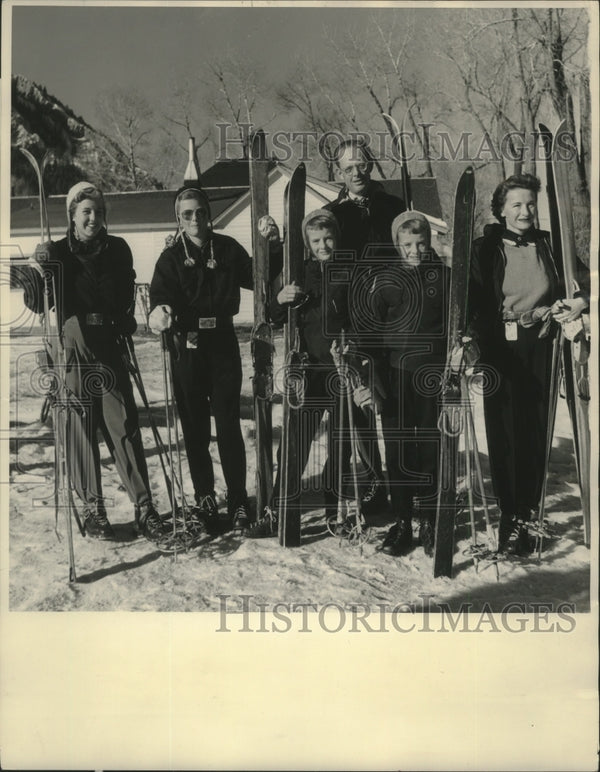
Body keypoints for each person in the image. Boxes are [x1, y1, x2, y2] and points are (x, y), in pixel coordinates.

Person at [23, 181, 163, 542]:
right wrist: (39, 271)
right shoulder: (57, 252)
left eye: (98, 212)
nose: (93, 218)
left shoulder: (117, 249)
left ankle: (144, 507)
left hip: (109, 341)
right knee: (79, 427)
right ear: (72, 215)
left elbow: (127, 290)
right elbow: (39, 305)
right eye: (86, 211)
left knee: (124, 426)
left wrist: (127, 320)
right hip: (72, 340)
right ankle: (93, 509)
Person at [469, 173, 589, 555]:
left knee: (537, 425)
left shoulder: (549, 246)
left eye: (530, 204)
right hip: (502, 348)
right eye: (517, 204)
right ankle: (509, 514)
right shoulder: (485, 247)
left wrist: (580, 302)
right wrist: (469, 342)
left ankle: (530, 508)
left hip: (543, 343)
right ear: (501, 209)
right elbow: (471, 299)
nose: (525, 211)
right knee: (505, 429)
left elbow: (583, 280)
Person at [149, 186, 257, 532]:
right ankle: (206, 498)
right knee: (195, 428)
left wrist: (273, 243)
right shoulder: (169, 258)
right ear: (178, 219)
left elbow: (259, 275)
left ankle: (238, 498)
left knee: (228, 425)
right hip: (188, 343)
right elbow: (160, 294)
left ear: (209, 214)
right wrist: (159, 313)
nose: (195, 219)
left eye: (200, 212)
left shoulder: (226, 248)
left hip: (222, 340)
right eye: (187, 214)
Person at [247, 209, 351, 538]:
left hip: (340, 371)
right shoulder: (300, 273)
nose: (323, 245)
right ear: (307, 243)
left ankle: (336, 513)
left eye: (328, 238)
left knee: (340, 445)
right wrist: (280, 299)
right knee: (294, 445)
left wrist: (353, 347)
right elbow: (276, 317)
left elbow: (364, 318)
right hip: (307, 372)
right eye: (316, 240)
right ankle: (278, 511)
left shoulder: (349, 272)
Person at [325, 138, 406, 514]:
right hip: (354, 320)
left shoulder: (393, 205)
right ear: (338, 173)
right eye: (347, 167)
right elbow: (323, 269)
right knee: (360, 404)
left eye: (361, 165)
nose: (356, 172)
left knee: (392, 402)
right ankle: (374, 485)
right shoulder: (333, 215)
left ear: (370, 166)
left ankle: (403, 481)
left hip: (394, 318)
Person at [369, 211, 450, 556]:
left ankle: (431, 519)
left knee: (432, 447)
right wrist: (368, 372)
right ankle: (403, 520)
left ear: (429, 241)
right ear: (397, 245)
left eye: (420, 243)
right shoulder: (386, 279)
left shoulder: (445, 278)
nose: (414, 250)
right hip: (394, 376)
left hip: (432, 375)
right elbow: (369, 329)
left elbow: (460, 320)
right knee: (399, 449)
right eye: (407, 245)